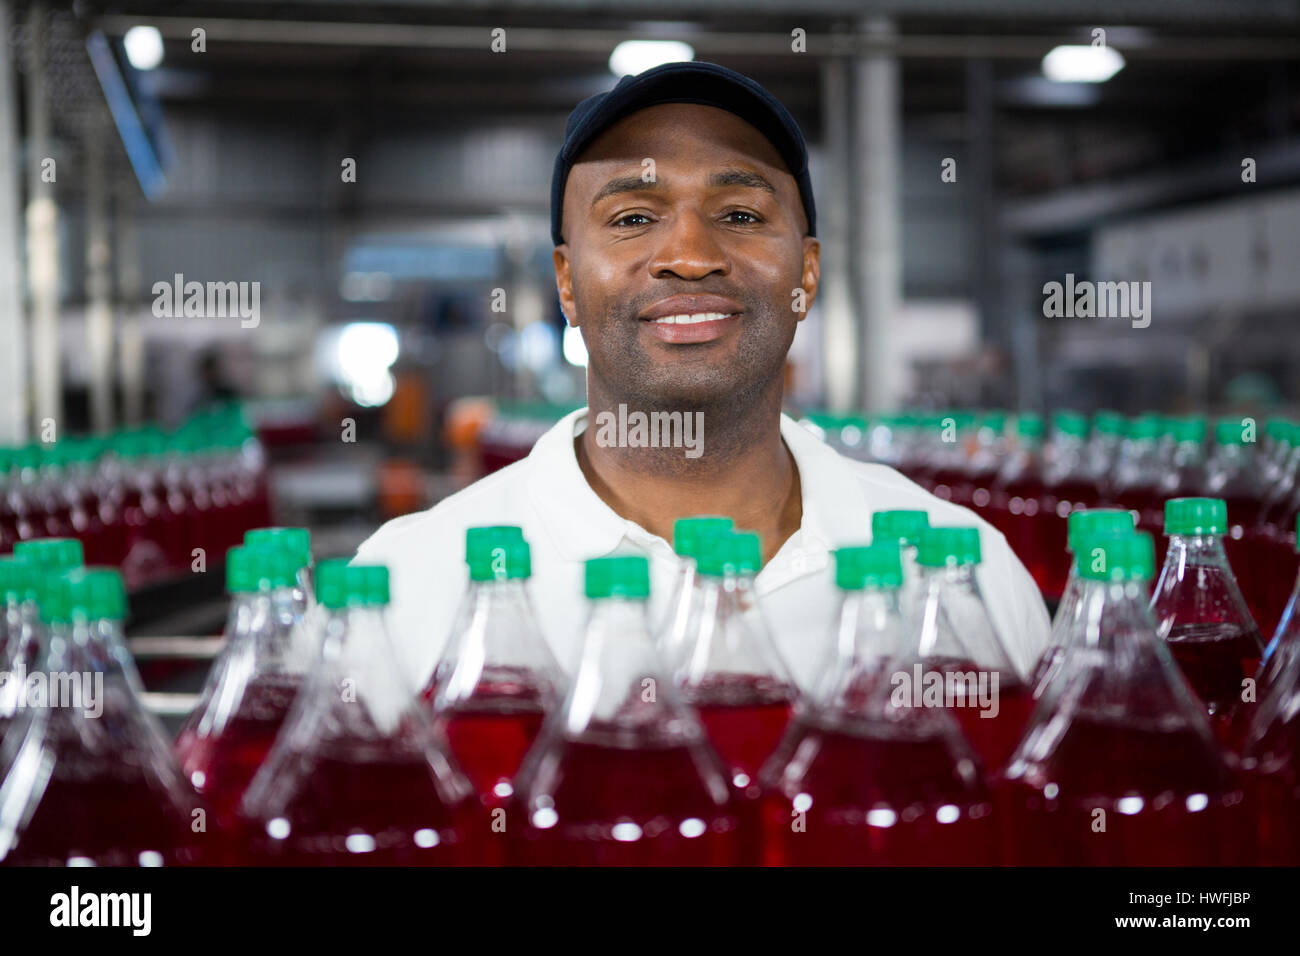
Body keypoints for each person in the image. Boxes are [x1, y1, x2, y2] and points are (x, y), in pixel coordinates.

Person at [354, 61, 1050, 686]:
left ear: (807, 269)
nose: (689, 255)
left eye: (740, 214)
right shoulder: (407, 591)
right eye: (632, 216)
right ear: (566, 282)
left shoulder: (964, 578)